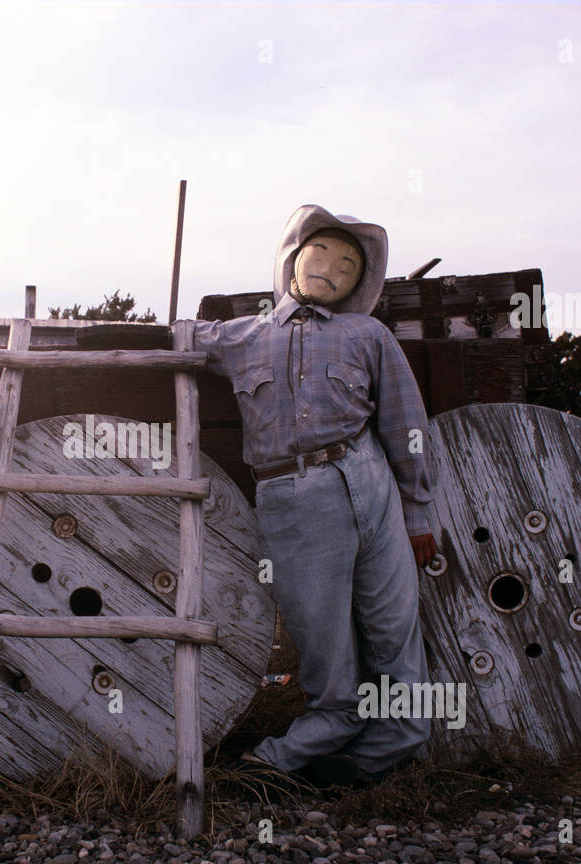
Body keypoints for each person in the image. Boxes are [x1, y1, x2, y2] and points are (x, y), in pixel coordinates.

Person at [184, 204, 438, 789]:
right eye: (320, 252)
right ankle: (290, 755)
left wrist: (417, 512)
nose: (332, 267)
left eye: (349, 263)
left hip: (369, 481)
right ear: (293, 261)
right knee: (325, 648)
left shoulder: (369, 335)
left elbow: (406, 425)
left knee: (393, 630)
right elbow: (174, 342)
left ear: (359, 284)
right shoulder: (242, 337)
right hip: (296, 500)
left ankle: (386, 748)